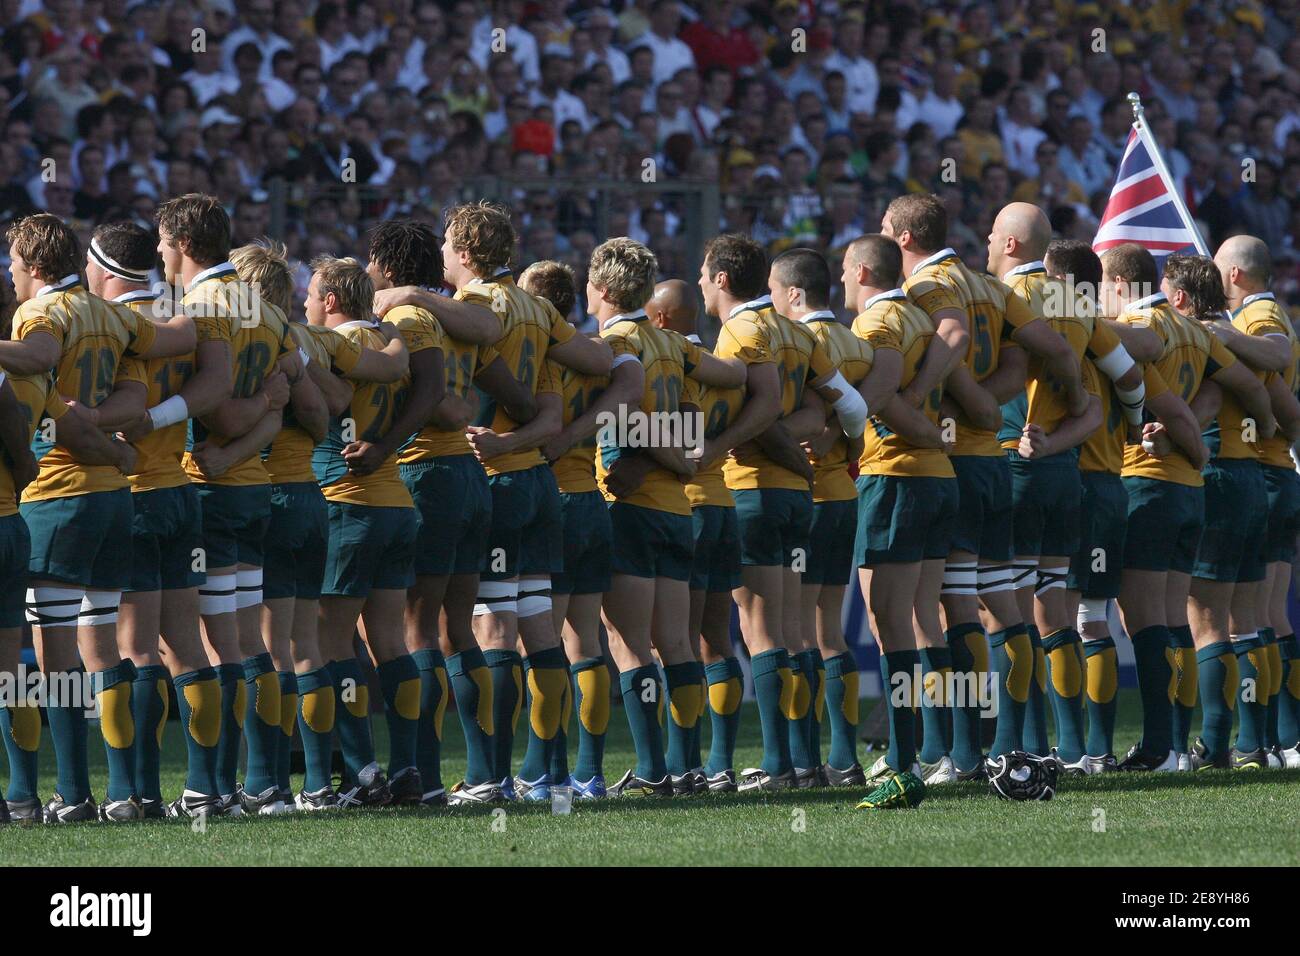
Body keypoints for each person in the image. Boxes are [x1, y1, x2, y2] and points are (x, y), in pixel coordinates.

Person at [1, 212, 195, 822]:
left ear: (33, 267)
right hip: (116, 496)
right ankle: (125, 792)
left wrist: (74, 423)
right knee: (105, 650)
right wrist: (109, 439)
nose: (9, 275)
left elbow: (35, 357)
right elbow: (159, 365)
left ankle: (60, 795)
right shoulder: (113, 316)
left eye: (11, 263)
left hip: (58, 493)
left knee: (51, 661)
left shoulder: (41, 314)